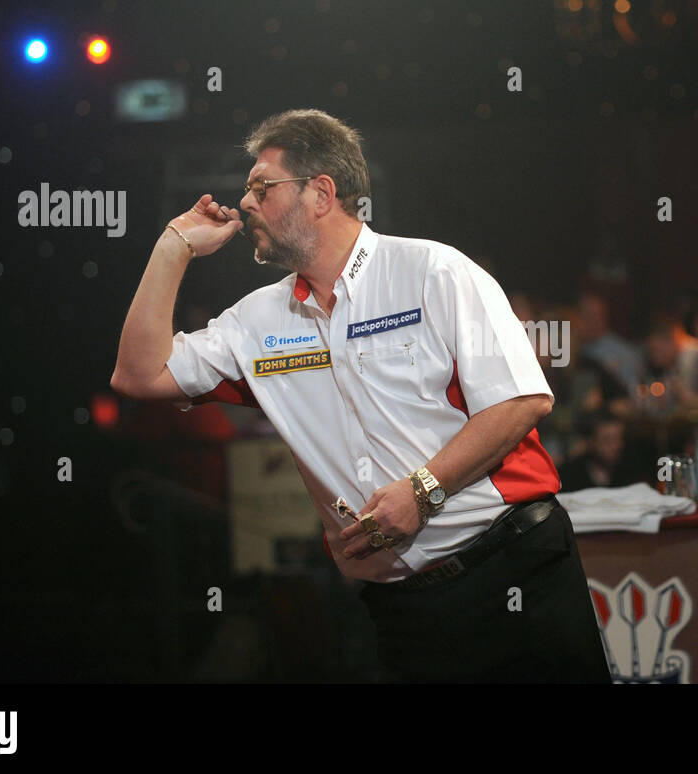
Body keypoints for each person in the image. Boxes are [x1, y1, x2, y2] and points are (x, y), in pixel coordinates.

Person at [109, 108, 610, 683]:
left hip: (514, 572)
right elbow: (138, 376)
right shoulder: (257, 321)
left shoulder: (433, 271)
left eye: (262, 186)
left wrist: (423, 491)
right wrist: (173, 247)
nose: (245, 203)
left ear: (321, 193)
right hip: (404, 611)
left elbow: (522, 401)